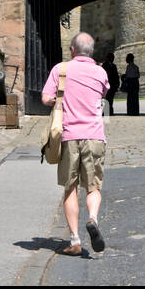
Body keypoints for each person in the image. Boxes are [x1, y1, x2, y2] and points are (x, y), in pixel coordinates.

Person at [41, 32, 110, 256]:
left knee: (70, 188)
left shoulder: (60, 70)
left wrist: (58, 98)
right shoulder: (101, 72)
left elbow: (45, 98)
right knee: (94, 186)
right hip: (94, 136)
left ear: (72, 50)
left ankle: (75, 240)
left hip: (69, 135)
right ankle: (92, 218)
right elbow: (103, 92)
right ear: (92, 52)